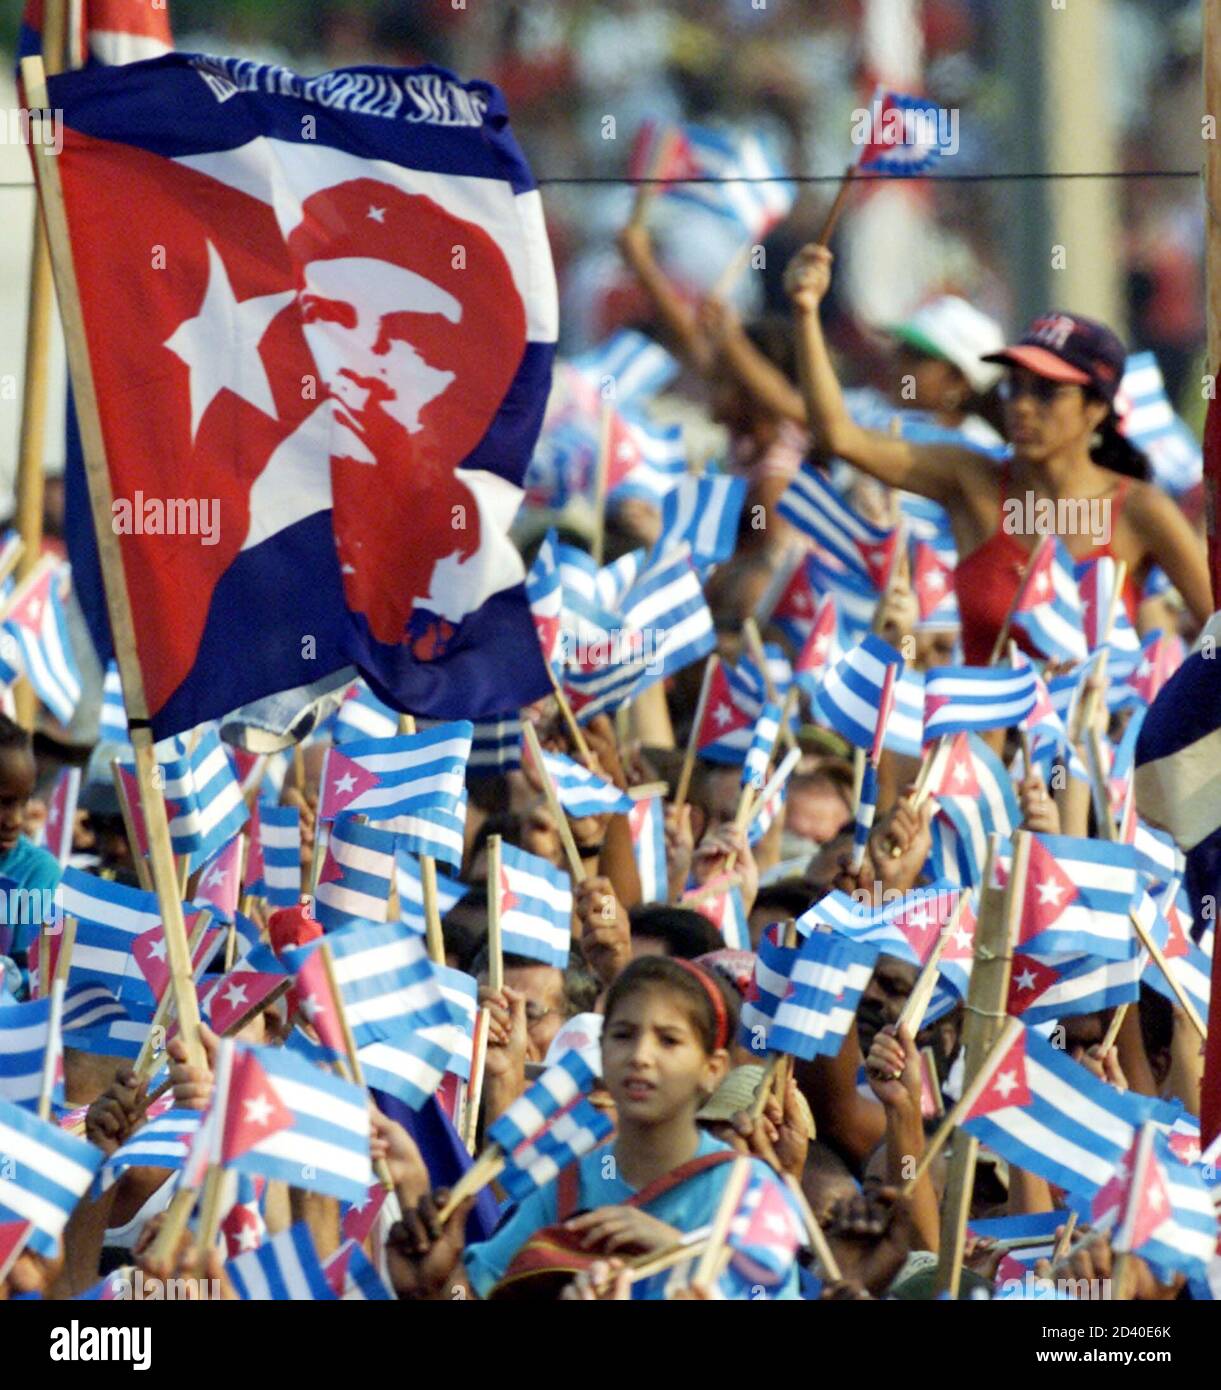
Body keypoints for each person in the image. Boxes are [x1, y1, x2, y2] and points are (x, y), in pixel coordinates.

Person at [785, 244, 1213, 665]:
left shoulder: (1141, 510)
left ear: (1096, 408)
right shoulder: (969, 479)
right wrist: (806, 312)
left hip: (1097, 734)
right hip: (973, 735)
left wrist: (1166, 724)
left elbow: (1217, 626)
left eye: (1047, 392)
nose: (1023, 405)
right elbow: (838, 436)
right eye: (1015, 386)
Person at [385, 955, 803, 1299]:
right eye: (623, 1035)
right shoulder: (567, 1180)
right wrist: (435, 1282)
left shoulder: (747, 1190)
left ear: (712, 1070)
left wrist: (675, 1251)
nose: (641, 1056)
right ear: (601, 1054)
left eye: (669, 1040)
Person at [0, 716, 63, 959]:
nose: (16, 820)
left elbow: (35, 980)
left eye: (24, 800)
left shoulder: (40, 873)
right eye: (4, 802)